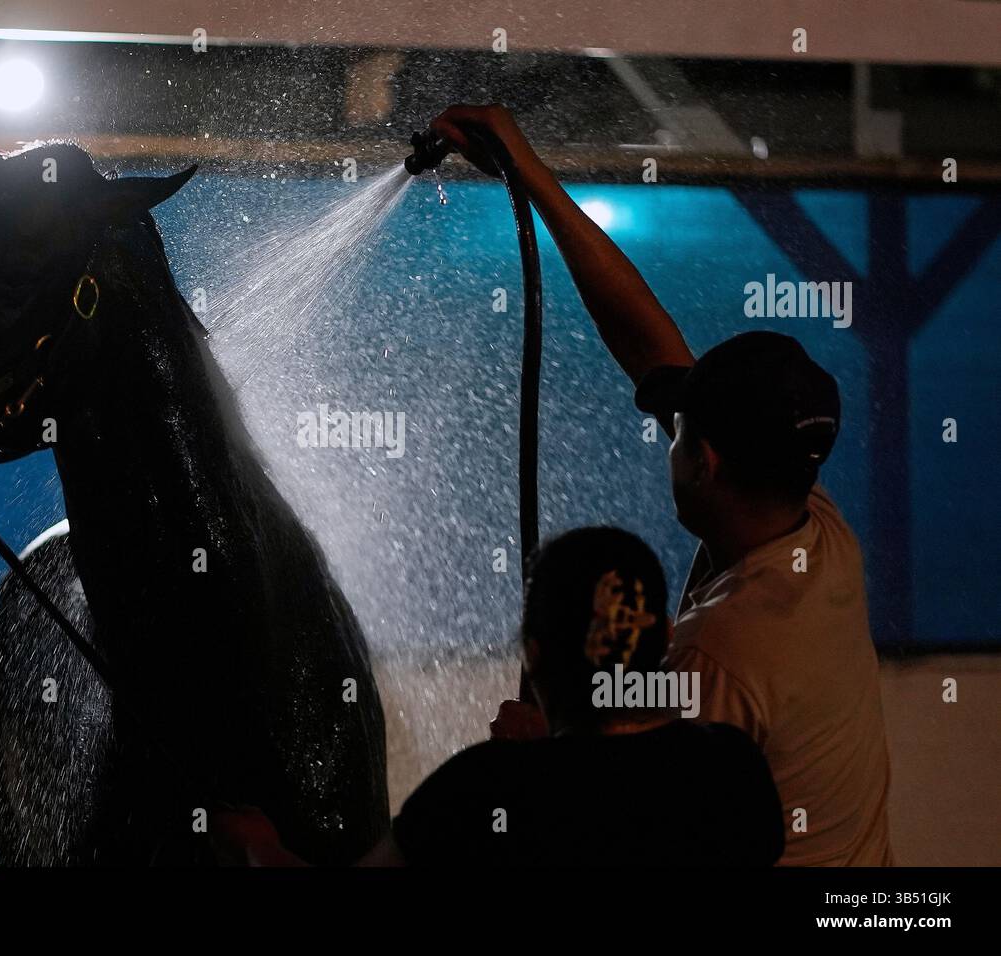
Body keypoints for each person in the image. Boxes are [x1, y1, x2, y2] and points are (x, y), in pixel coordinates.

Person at [436, 105, 893, 866]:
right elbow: (652, 350)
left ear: (706, 462)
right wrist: (532, 176)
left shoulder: (718, 657)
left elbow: (633, 833)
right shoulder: (814, 527)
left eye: (678, 430)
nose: (665, 430)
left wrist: (537, 754)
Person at [216, 526, 784, 867]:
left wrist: (259, 848)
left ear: (532, 654)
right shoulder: (734, 771)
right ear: (664, 635)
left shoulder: (486, 787)